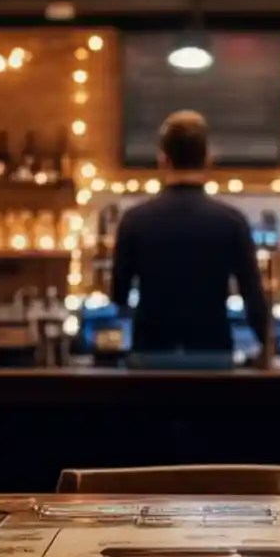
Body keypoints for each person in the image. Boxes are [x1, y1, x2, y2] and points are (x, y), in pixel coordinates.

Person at [111, 111, 269, 367]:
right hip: (212, 353)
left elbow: (119, 295)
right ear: (208, 158)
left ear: (163, 159)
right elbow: (253, 296)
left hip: (151, 354)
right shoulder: (232, 221)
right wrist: (264, 349)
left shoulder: (134, 220)